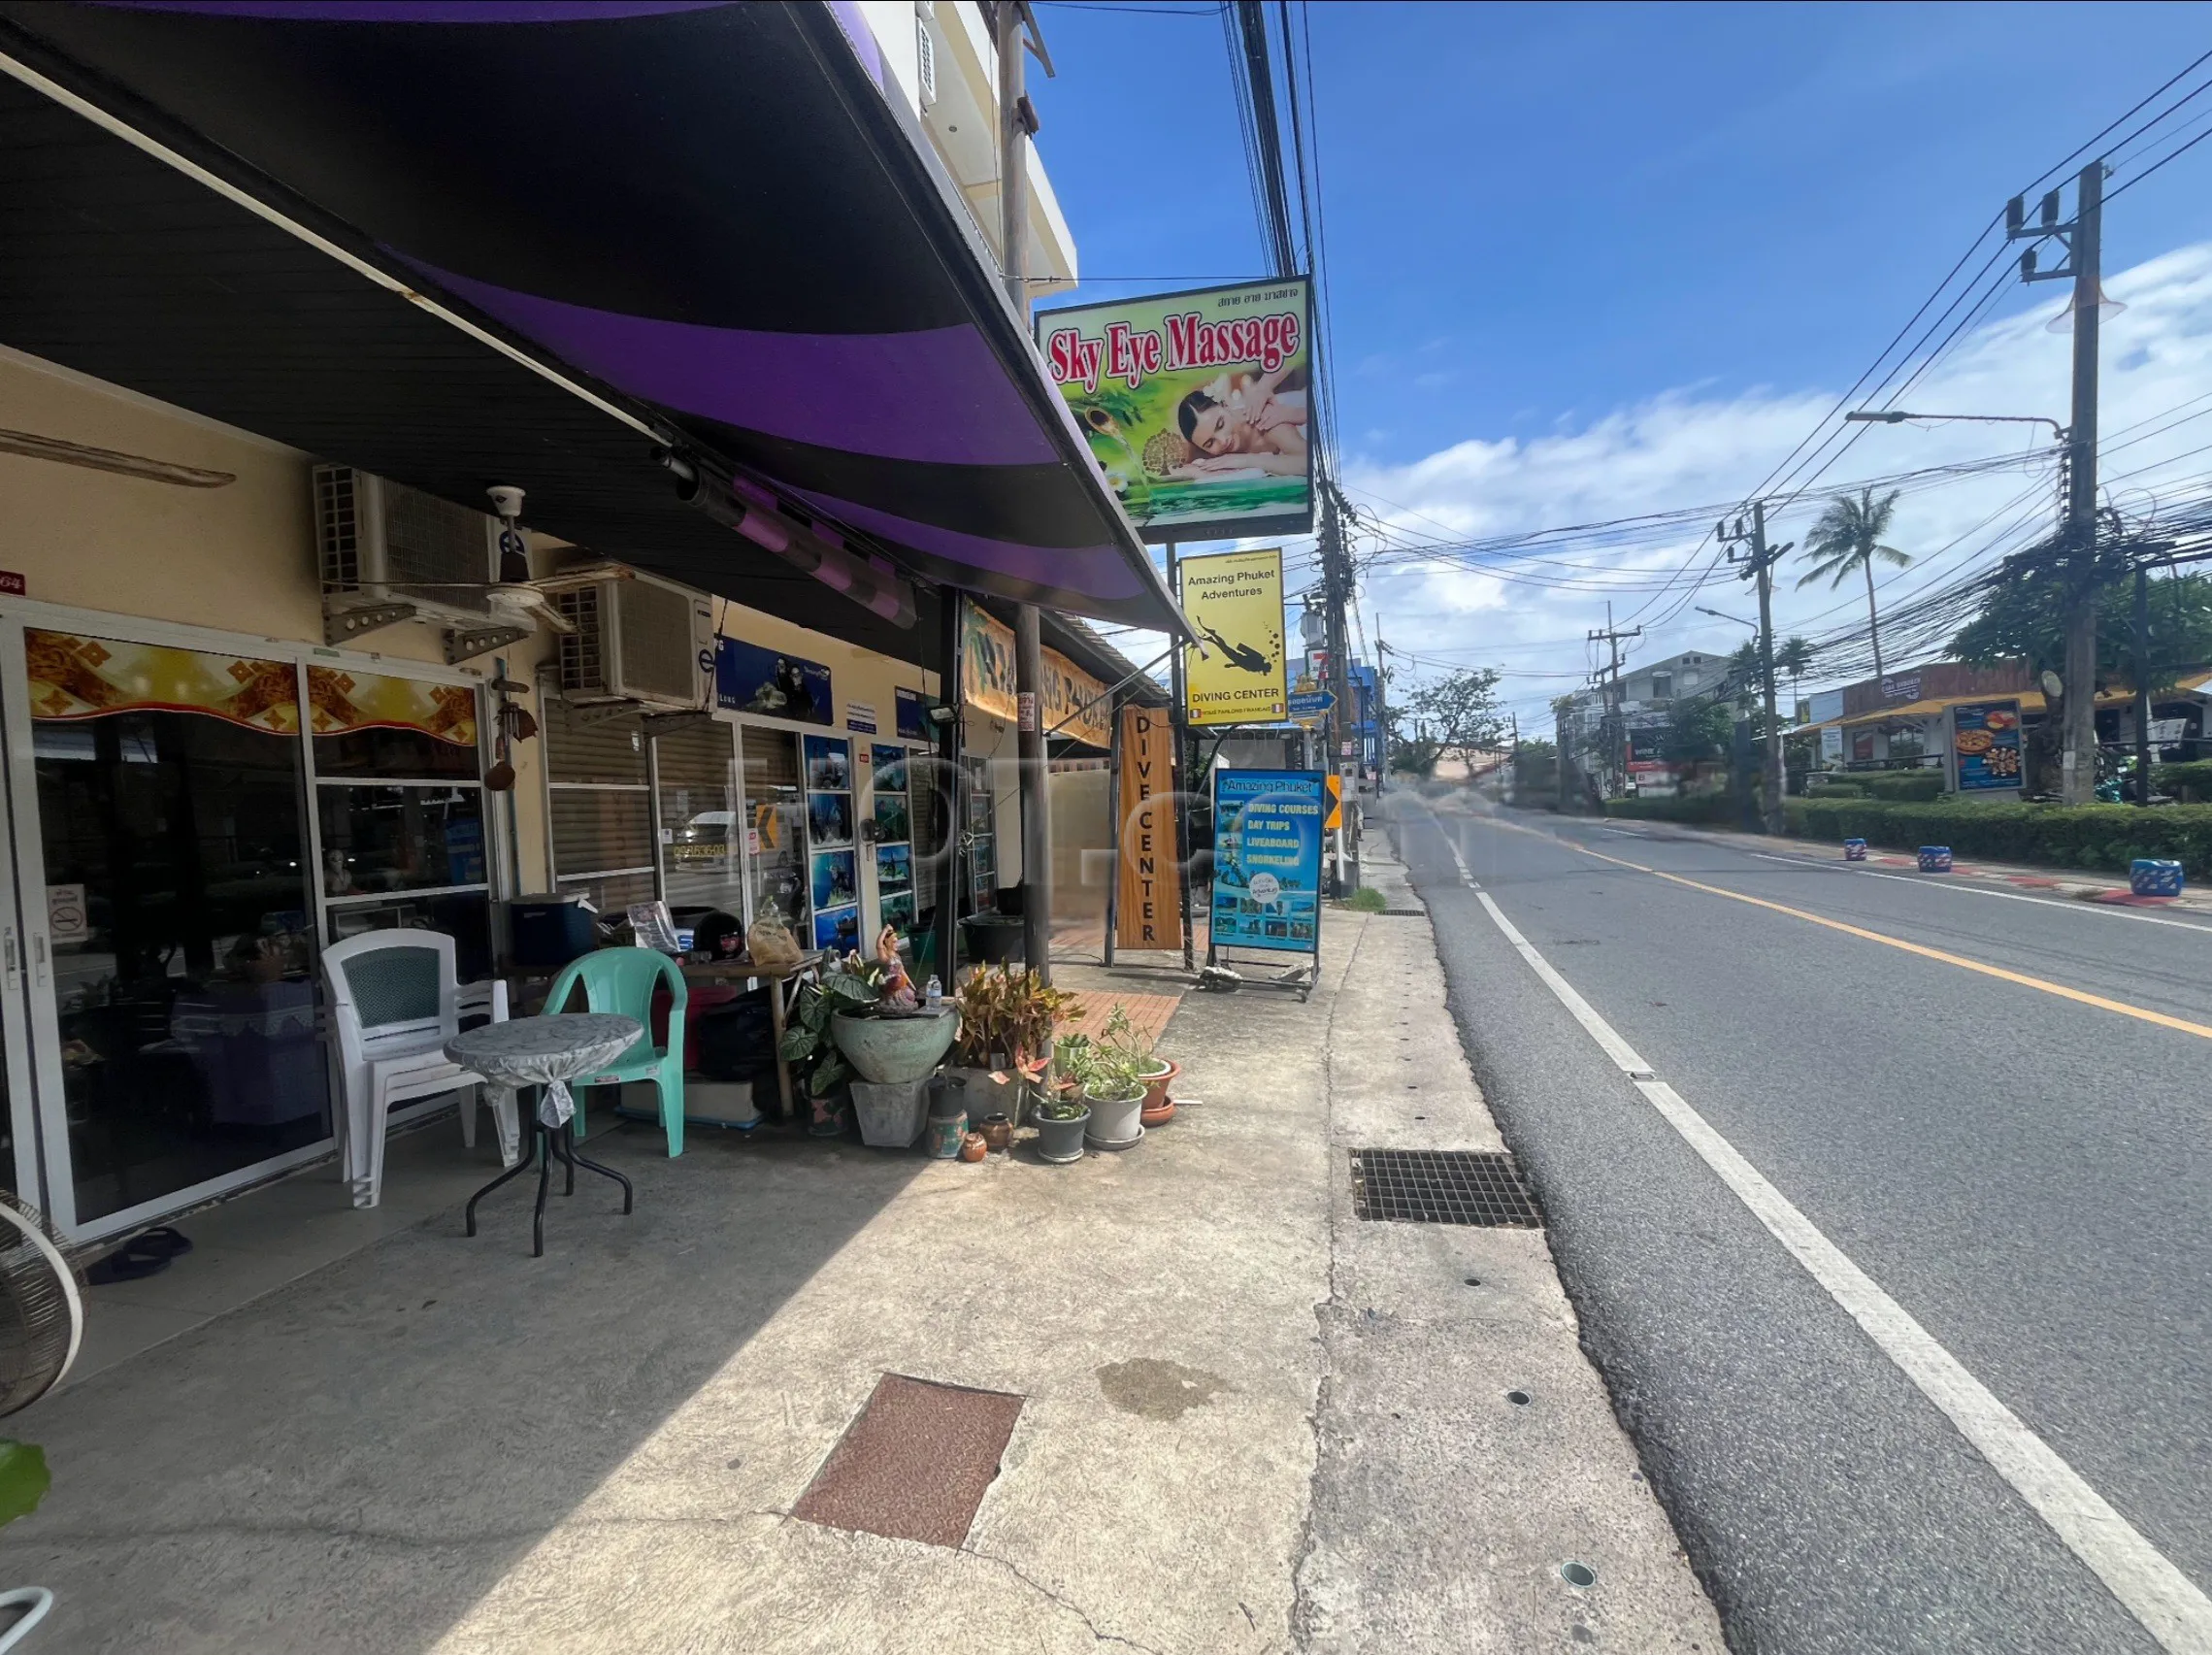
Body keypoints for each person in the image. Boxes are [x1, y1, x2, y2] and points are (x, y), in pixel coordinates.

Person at [1172, 364, 1308, 478]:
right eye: (1210, 443)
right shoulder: (1208, 452)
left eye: (1220, 425)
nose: (1223, 440)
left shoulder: (1265, 421)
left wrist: (1246, 460)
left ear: (1225, 405)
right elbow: (1171, 471)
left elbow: (1307, 463)